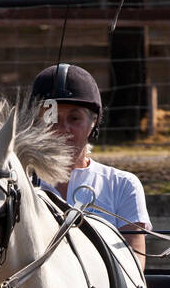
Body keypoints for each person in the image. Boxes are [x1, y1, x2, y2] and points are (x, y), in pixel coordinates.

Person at [30, 63, 152, 270]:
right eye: (52, 118)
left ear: (93, 121)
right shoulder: (20, 183)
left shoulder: (122, 185)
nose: (63, 129)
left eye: (74, 118)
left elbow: (133, 265)